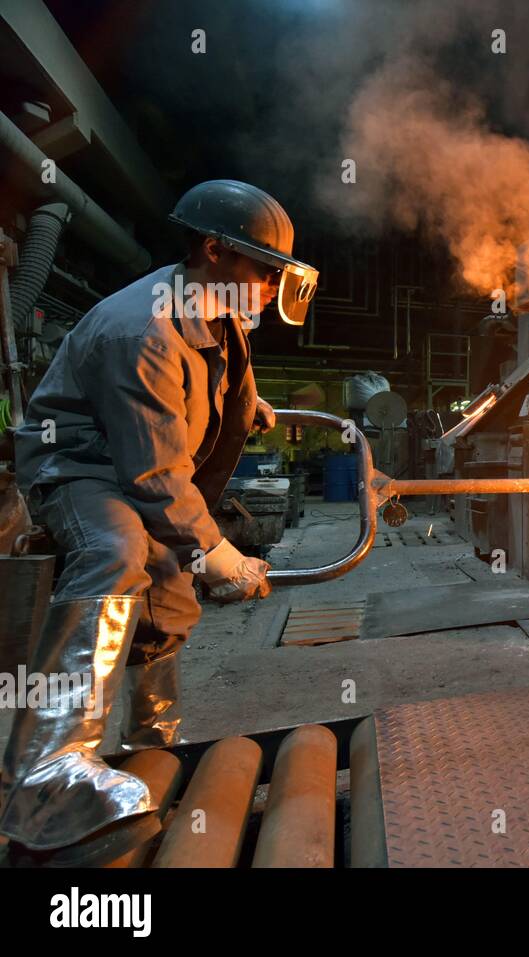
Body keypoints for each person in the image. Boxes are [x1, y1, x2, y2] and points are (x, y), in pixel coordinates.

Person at [2, 180, 318, 864]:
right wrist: (221, 552)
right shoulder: (142, 329)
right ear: (213, 250)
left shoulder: (220, 307)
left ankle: (152, 751)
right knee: (117, 553)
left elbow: (224, 373)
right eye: (264, 269)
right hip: (81, 464)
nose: (271, 284)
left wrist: (250, 407)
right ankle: (46, 772)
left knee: (171, 597)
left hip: (136, 464)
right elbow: (153, 479)